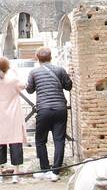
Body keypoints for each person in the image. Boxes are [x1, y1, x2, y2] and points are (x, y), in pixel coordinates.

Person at [26, 46, 72, 181]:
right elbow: (68, 86)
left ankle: (45, 169)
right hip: (60, 109)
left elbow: (29, 90)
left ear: (37, 58)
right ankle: (55, 173)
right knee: (59, 140)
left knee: (40, 140)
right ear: (50, 57)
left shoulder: (34, 72)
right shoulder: (60, 70)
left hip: (44, 109)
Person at [0, 56, 26, 184]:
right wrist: (14, 72)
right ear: (8, 67)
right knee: (15, 142)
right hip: (13, 115)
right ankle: (16, 174)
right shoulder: (13, 81)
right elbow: (24, 85)